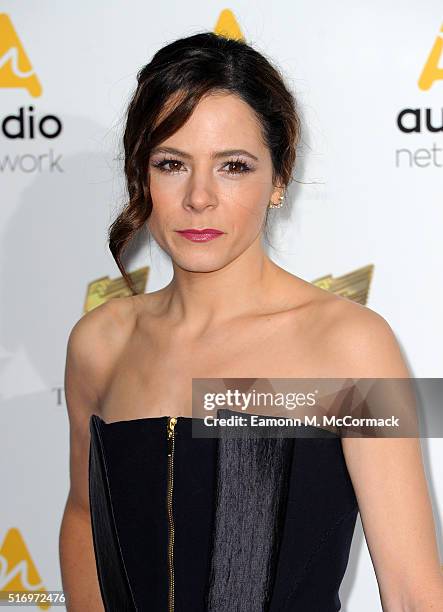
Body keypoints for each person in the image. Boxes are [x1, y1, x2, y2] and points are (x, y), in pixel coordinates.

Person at [58, 31, 443, 611]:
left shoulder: (347, 345)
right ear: (142, 175)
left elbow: (415, 592)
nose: (200, 197)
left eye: (233, 166)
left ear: (279, 178)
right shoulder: (101, 342)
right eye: (172, 163)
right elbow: (85, 516)